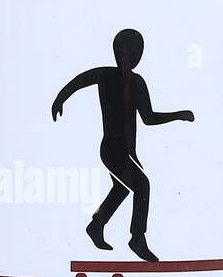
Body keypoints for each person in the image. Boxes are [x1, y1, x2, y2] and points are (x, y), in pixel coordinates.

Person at [51, 29, 193, 262]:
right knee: (142, 186)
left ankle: (96, 225)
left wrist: (178, 115)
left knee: (122, 189)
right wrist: (60, 98)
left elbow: (148, 117)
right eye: (125, 52)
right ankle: (137, 237)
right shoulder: (105, 75)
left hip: (125, 150)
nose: (129, 58)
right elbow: (78, 81)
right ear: (117, 53)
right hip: (112, 149)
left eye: (134, 53)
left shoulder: (137, 82)